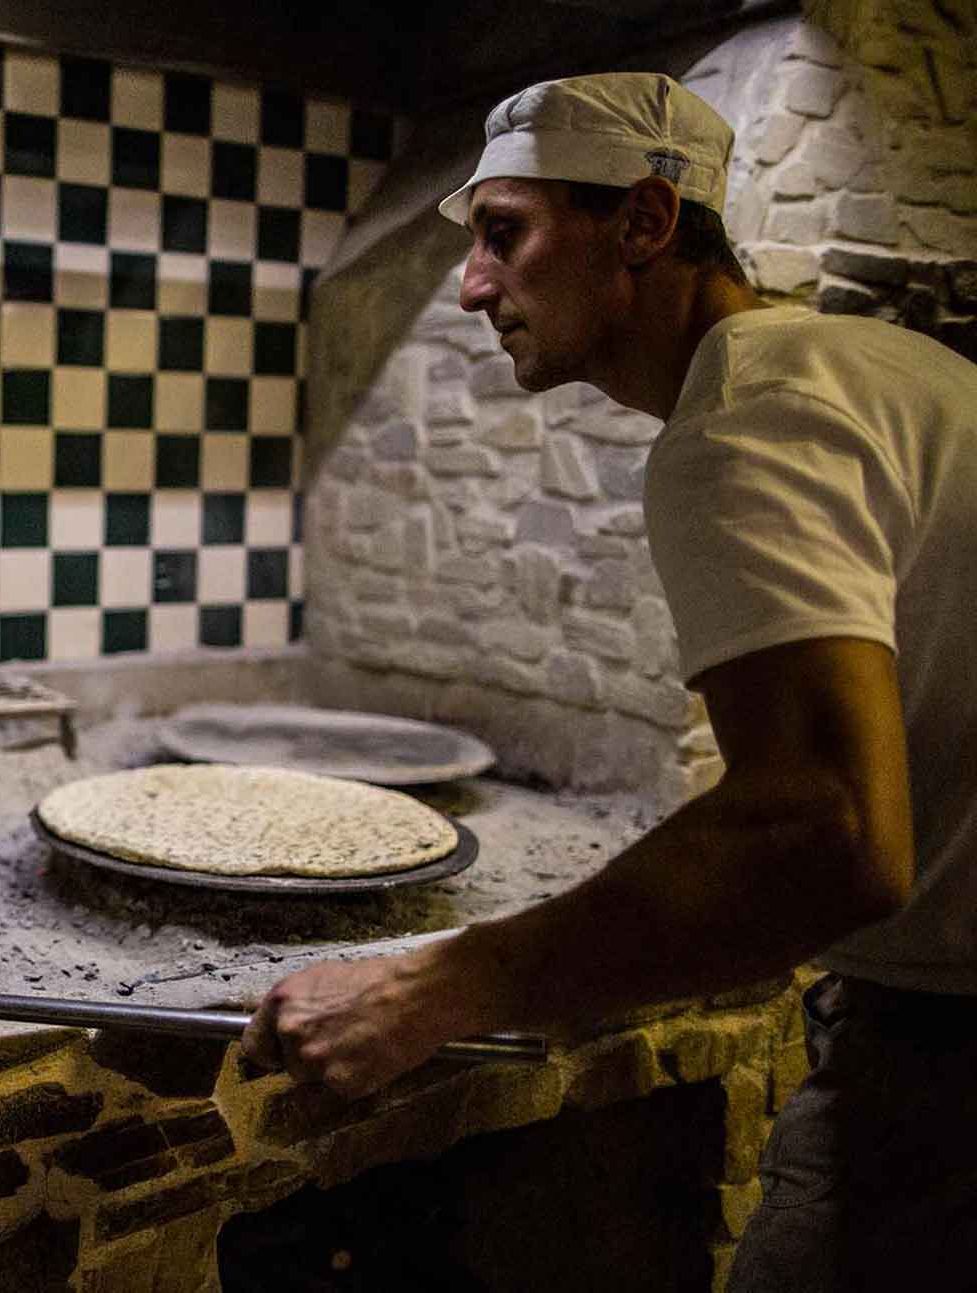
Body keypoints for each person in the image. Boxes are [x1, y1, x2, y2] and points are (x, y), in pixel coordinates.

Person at [241, 71, 977, 1289]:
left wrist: (433, 988)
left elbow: (828, 830)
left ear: (640, 223)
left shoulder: (747, 416)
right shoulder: (887, 372)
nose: (473, 287)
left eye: (502, 235)